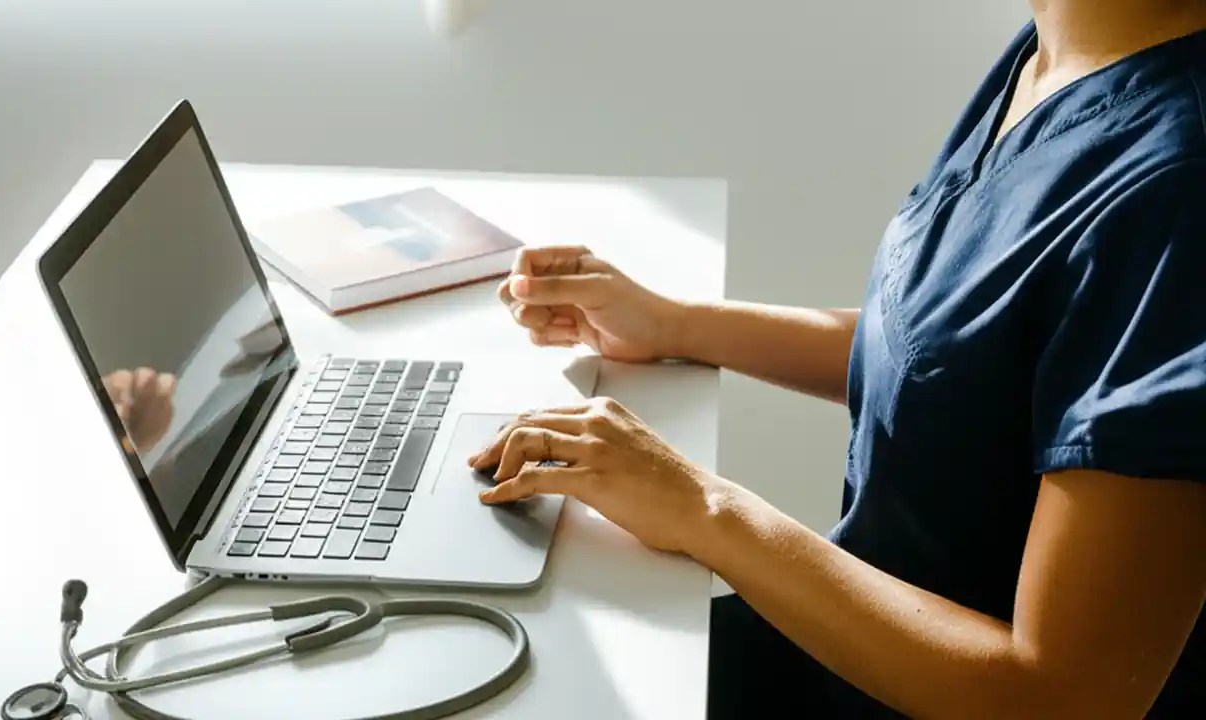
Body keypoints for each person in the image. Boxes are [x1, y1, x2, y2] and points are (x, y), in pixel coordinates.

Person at [469, 3, 1206, 717]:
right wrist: (671, 325)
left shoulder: (1176, 185)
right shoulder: (1054, 51)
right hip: (845, 655)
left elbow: (1059, 699)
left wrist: (701, 506)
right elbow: (959, 363)